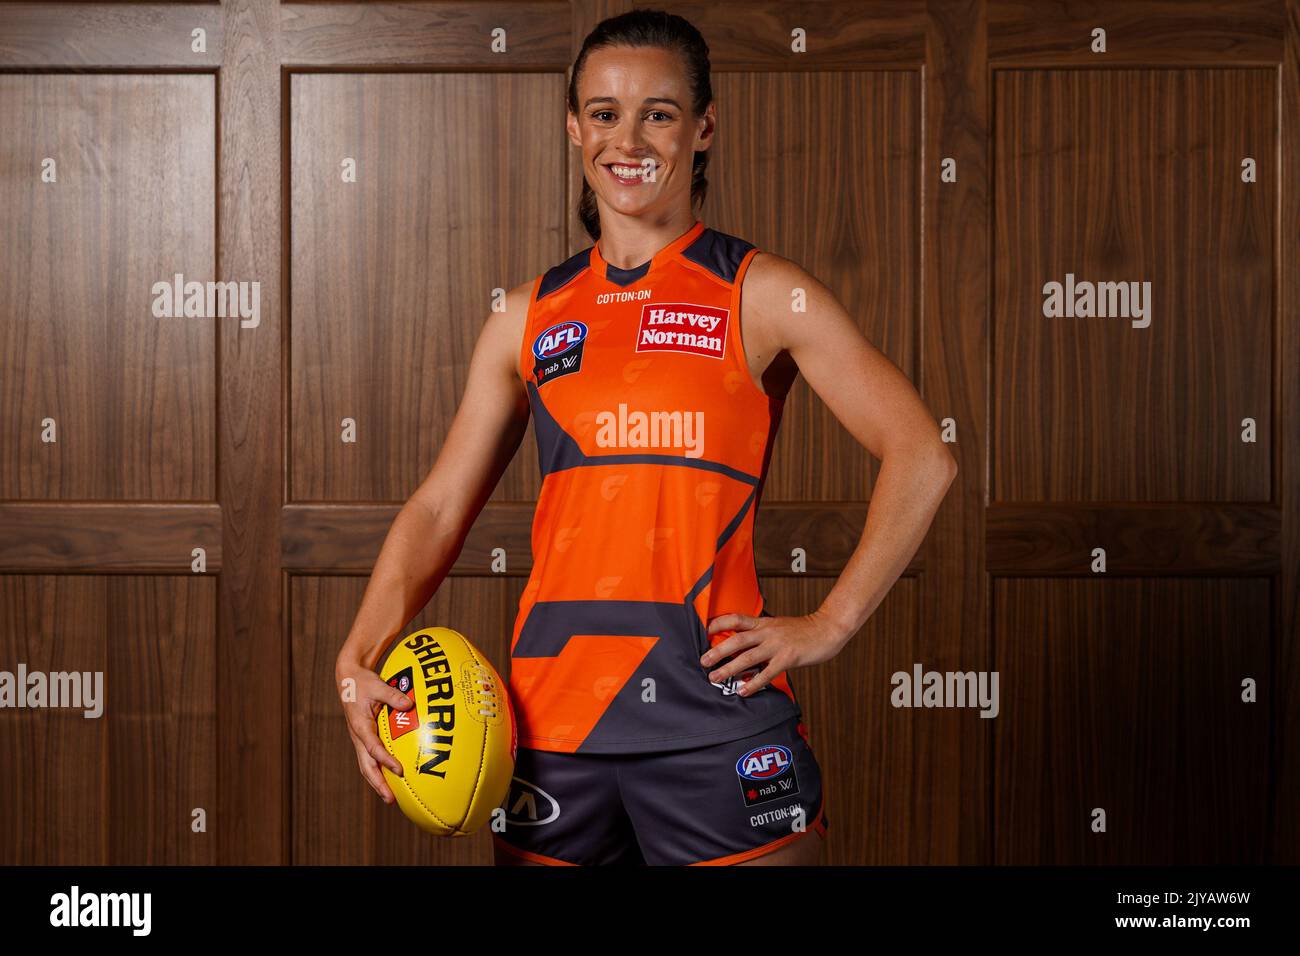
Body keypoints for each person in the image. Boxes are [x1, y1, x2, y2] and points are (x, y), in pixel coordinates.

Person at [335, 8, 956, 866]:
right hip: (548, 730)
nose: (627, 138)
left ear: (703, 128)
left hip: (717, 725)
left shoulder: (762, 291)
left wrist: (831, 623)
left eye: (658, 113)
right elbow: (441, 506)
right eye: (603, 112)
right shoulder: (525, 316)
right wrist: (356, 657)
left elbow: (922, 453)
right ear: (573, 127)